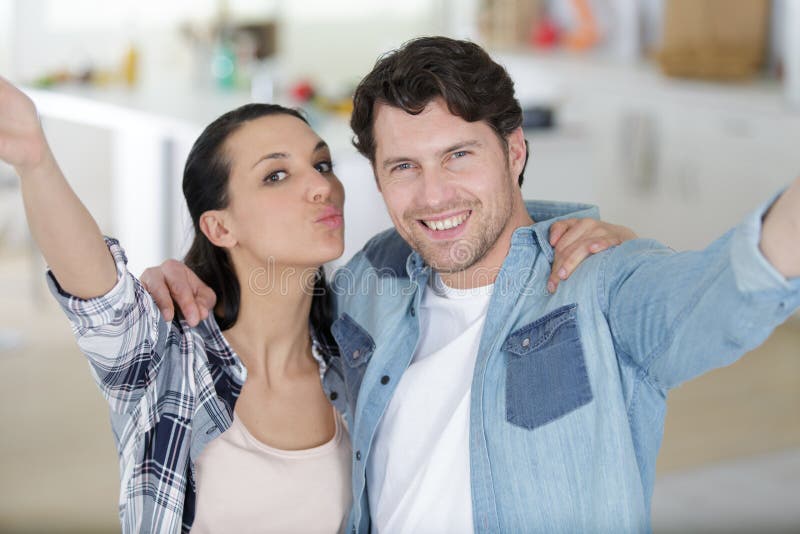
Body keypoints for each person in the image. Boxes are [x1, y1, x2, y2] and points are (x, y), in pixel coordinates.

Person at [147, 36, 800, 533]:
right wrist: (185, 273)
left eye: (459, 155)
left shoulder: (598, 284)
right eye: (404, 166)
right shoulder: (376, 277)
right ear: (377, 179)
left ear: (513, 152)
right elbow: (273, 305)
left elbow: (730, 287)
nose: (434, 195)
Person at [0, 73, 631, 534]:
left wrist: (584, 235)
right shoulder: (170, 354)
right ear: (220, 228)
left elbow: (471, 242)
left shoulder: (359, 353)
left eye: (321, 164)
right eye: (277, 175)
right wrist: (34, 158)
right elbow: (98, 295)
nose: (320, 187)